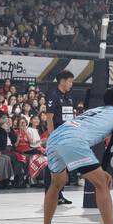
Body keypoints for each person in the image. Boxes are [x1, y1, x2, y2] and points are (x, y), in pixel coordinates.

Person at [39, 87, 113, 224]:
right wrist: (105, 171)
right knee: (102, 183)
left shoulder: (95, 110)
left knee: (57, 183)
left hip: (54, 139)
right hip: (73, 141)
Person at [43, 71, 78, 204]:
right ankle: (49, 195)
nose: (71, 84)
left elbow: (70, 116)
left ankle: (59, 194)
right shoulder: (53, 95)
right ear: (62, 81)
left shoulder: (69, 96)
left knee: (63, 165)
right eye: (69, 81)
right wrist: (52, 136)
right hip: (57, 135)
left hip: (67, 135)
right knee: (52, 164)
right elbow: (49, 117)